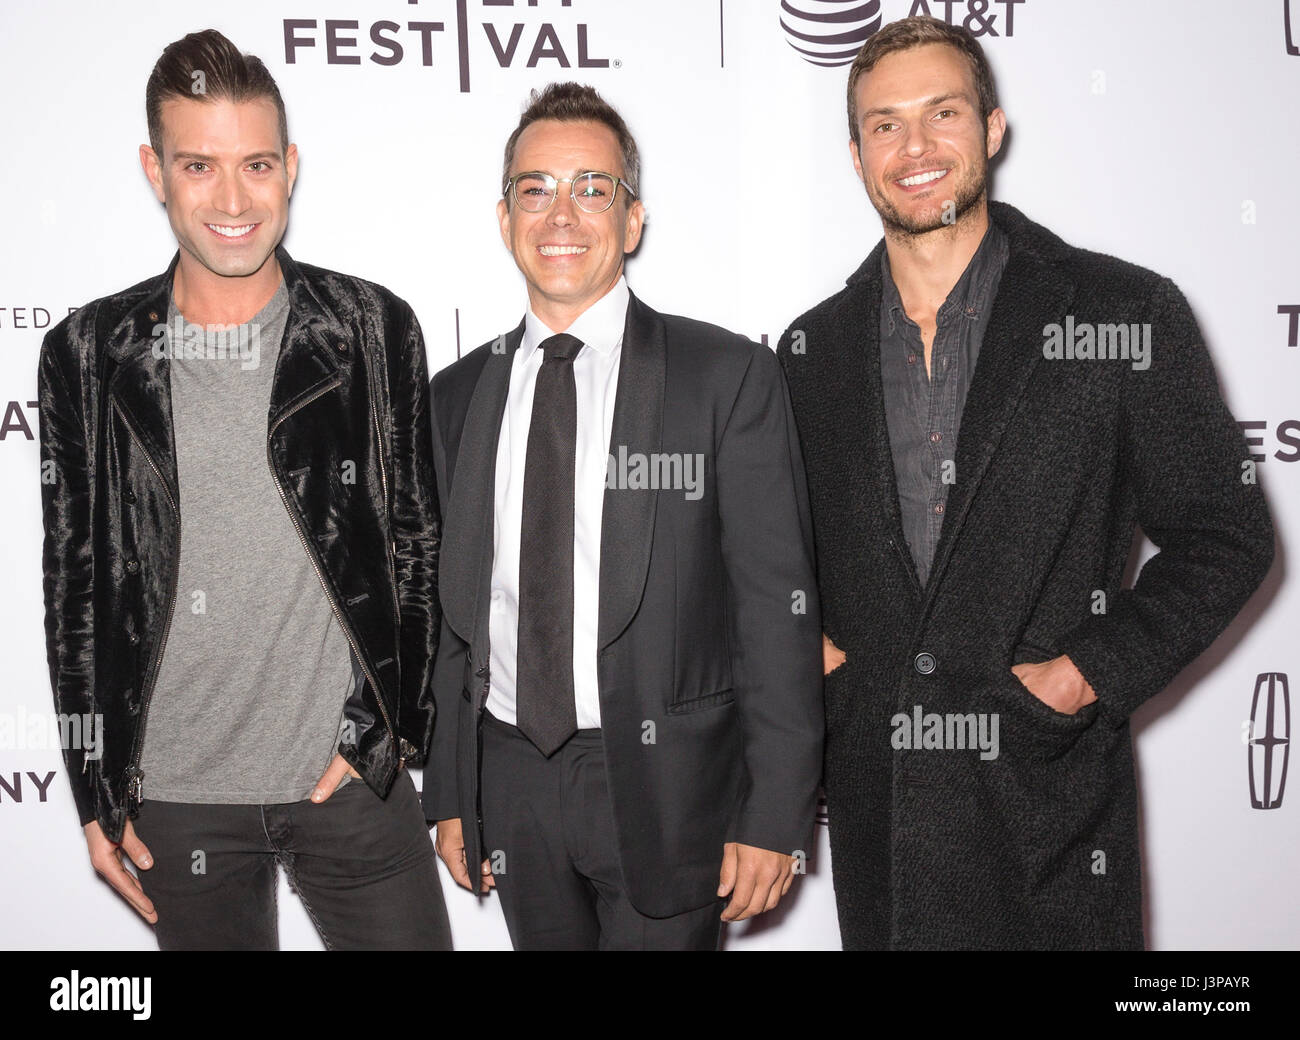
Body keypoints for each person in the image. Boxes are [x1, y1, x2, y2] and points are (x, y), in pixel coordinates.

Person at [776, 16, 1274, 949]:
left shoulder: (1122, 312)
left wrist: (1087, 675)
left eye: (943, 114)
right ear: (854, 155)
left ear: (993, 129)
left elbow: (1227, 535)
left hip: (1047, 812)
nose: (915, 148)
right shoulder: (810, 349)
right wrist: (813, 653)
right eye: (885, 125)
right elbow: (769, 553)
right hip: (883, 816)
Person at [37, 29, 451, 950]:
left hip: (349, 783)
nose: (233, 200)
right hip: (176, 800)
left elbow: (419, 545)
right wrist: (92, 788)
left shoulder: (371, 328)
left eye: (256, 164)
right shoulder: (89, 354)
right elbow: (76, 584)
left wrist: (381, 737)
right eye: (199, 165)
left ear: (291, 167)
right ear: (155, 169)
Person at [423, 82, 823, 950]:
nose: (561, 212)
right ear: (504, 218)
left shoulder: (725, 378)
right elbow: (456, 616)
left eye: (592, 187)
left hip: (667, 788)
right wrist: (452, 791)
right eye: (536, 188)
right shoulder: (456, 398)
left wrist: (775, 813)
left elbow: (775, 611)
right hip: (511, 781)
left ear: (633, 220)